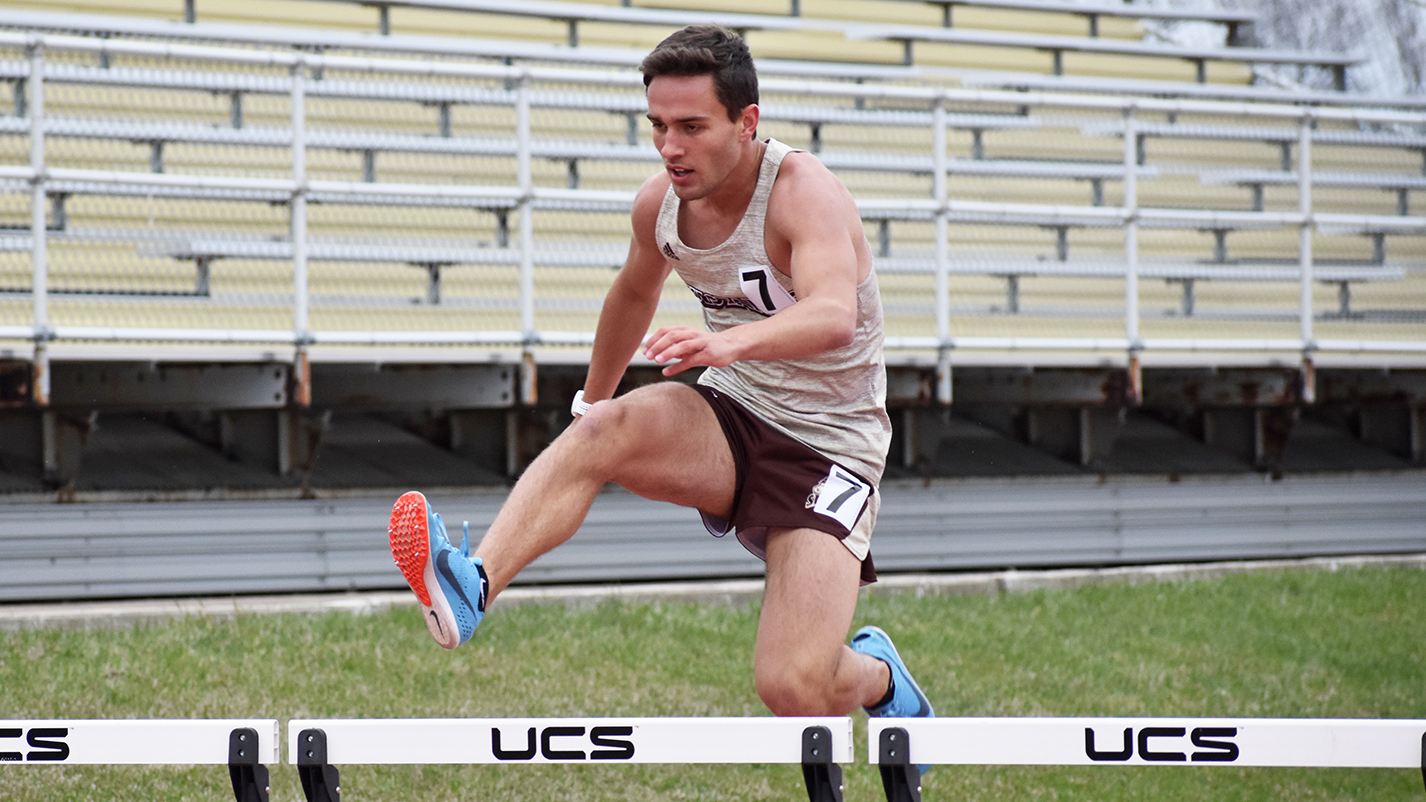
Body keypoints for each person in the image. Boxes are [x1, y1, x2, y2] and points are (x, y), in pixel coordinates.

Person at [387, 24, 933, 727]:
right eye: (658, 126)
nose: (671, 147)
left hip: (831, 448)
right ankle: (473, 586)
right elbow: (633, 294)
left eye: (692, 127)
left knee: (793, 688)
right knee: (604, 430)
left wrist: (733, 347)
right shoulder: (660, 207)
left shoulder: (804, 194)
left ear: (747, 122)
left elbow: (832, 315)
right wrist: (591, 404)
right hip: (734, 413)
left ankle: (882, 679)